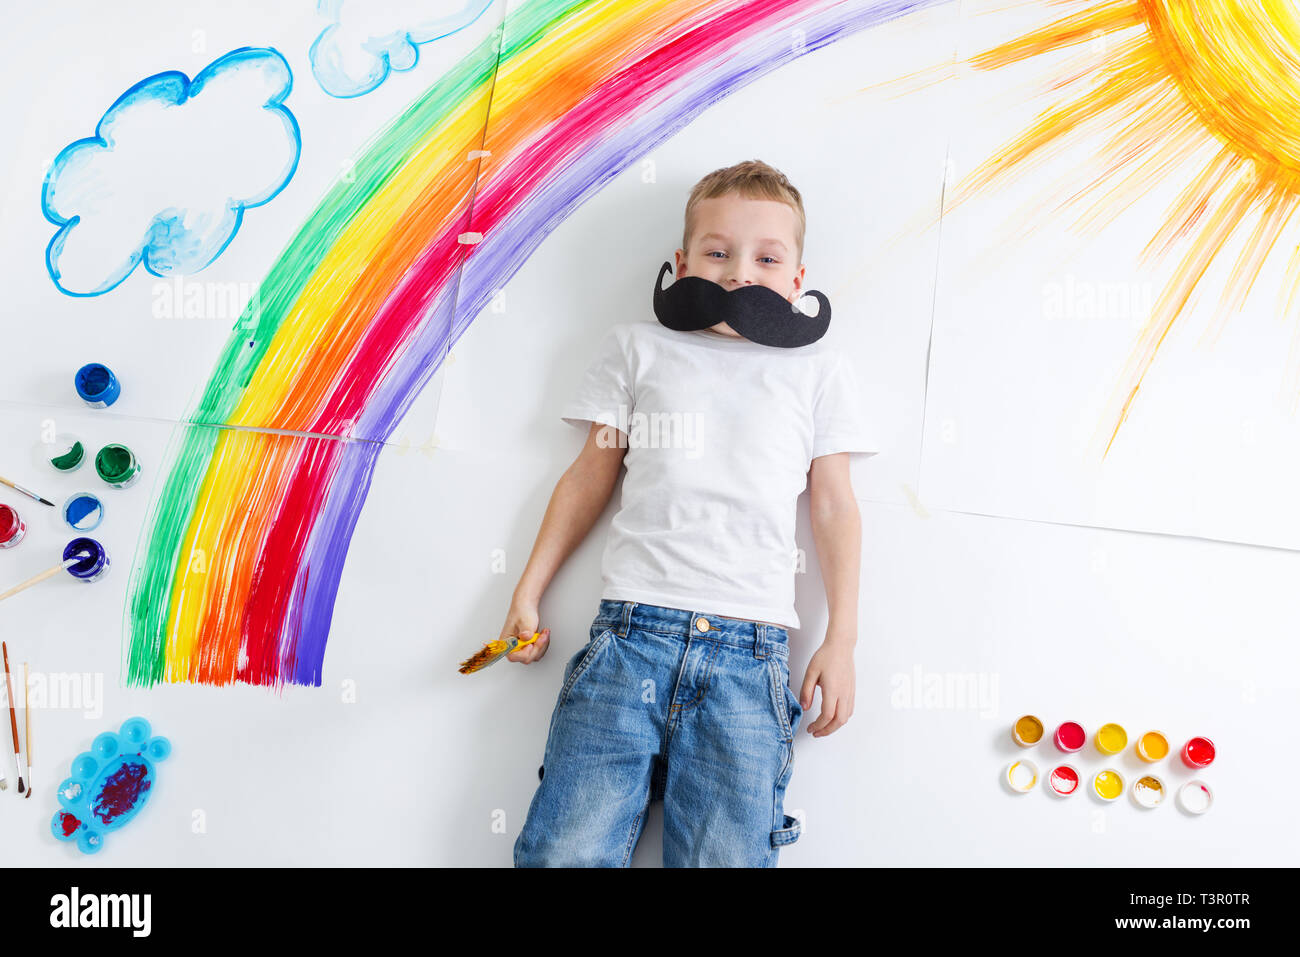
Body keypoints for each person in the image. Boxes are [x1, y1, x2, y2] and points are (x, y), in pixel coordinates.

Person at [506, 159, 877, 866]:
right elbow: (590, 473)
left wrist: (843, 639)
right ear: (680, 265)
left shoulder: (818, 373)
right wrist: (527, 591)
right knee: (563, 851)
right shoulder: (637, 349)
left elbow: (835, 505)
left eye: (767, 257)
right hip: (629, 637)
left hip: (751, 656)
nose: (740, 272)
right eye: (717, 251)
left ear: (798, 280)